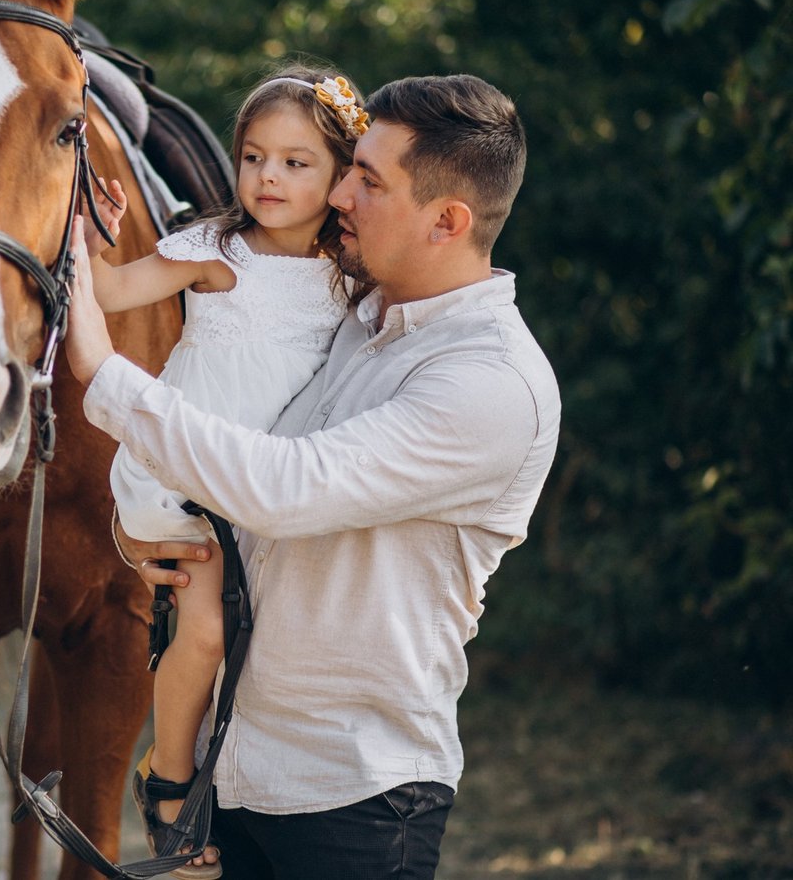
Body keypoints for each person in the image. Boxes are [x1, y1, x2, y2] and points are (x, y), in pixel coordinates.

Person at [64, 74, 561, 880]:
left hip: (353, 796)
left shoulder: (487, 383)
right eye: (349, 170)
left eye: (367, 180)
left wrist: (103, 373)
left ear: (447, 221)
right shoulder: (356, 319)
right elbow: (234, 449)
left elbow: (284, 489)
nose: (339, 197)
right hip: (236, 768)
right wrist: (143, 529)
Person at [82, 66, 369, 877]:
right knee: (206, 632)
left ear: (342, 175)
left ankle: (244, 788)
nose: (268, 177)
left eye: (295, 162)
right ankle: (168, 780)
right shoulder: (216, 250)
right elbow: (112, 291)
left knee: (263, 646)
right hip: (178, 475)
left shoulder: (352, 275)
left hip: (269, 490)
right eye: (253, 157)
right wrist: (90, 238)